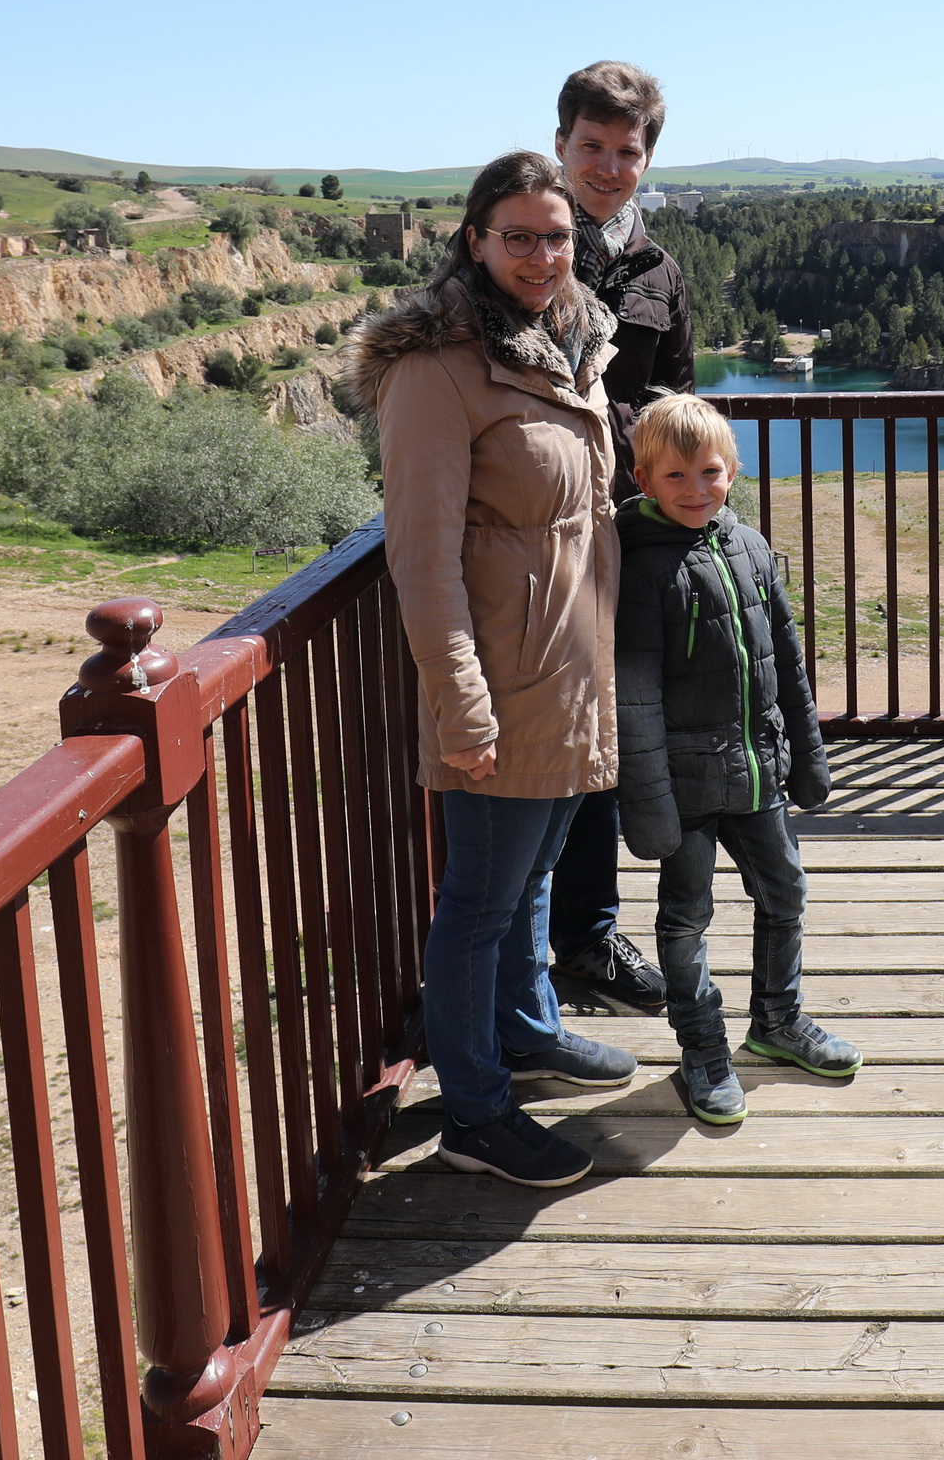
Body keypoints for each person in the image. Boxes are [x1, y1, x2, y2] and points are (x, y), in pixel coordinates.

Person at [344, 148, 639, 1187]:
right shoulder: (438, 371)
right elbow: (421, 557)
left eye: (556, 235)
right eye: (517, 235)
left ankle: (527, 1028)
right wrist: (462, 704)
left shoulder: (567, 344)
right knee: (477, 900)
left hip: (571, 664)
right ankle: (474, 1105)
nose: (540, 253)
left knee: (535, 876)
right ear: (475, 239)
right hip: (502, 686)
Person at [613, 392, 861, 1125]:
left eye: (709, 473)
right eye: (675, 478)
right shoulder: (637, 567)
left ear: (733, 471)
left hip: (758, 771)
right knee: (686, 920)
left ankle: (777, 1022)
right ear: (642, 479)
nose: (696, 491)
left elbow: (787, 660)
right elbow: (636, 698)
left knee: (786, 893)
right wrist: (649, 802)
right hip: (685, 787)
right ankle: (702, 1051)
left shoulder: (748, 545)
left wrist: (808, 757)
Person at [543, 61, 695, 1018]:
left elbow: (681, 403)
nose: (606, 166)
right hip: (532, 538)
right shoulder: (525, 244)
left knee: (607, 733)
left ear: (647, 160)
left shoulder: (658, 271)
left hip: (625, 533)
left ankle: (589, 937)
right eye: (590, 147)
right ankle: (537, 949)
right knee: (536, 741)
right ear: (560, 144)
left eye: (625, 152)